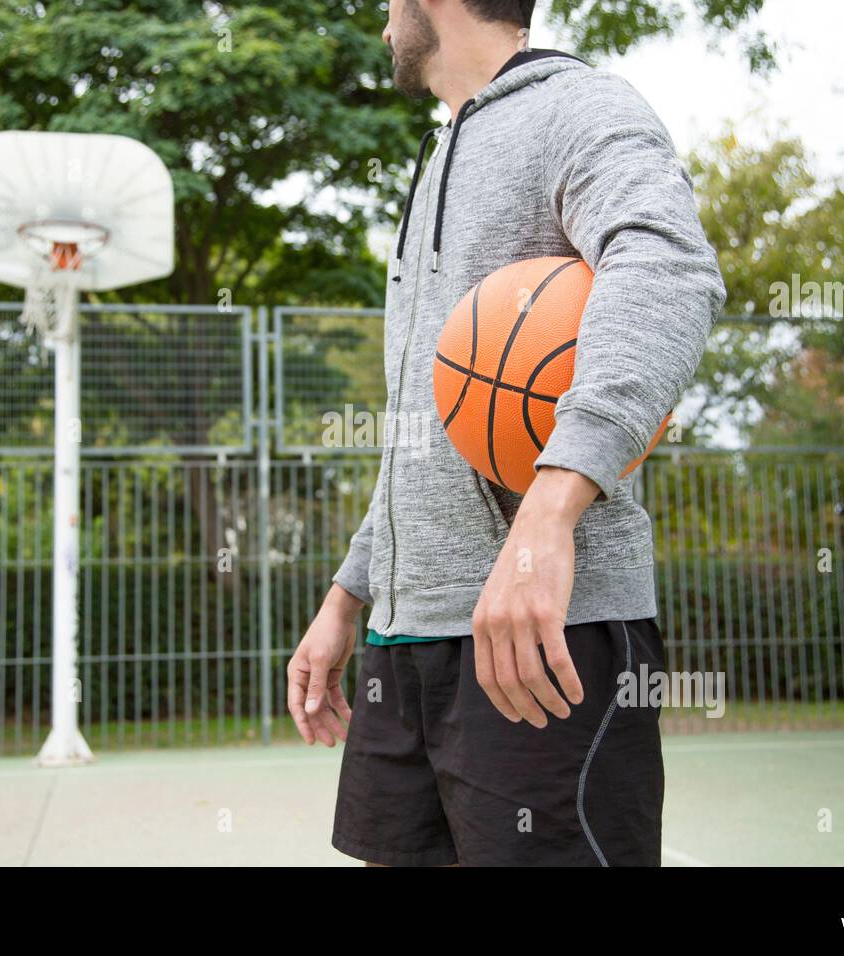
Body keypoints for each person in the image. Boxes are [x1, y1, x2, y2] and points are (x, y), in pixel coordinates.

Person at [287, 0, 725, 866]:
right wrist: (351, 595)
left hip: (542, 636)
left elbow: (669, 267)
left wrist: (548, 515)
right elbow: (428, 423)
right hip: (407, 640)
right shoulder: (438, 156)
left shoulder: (583, 107)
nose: (381, 23)